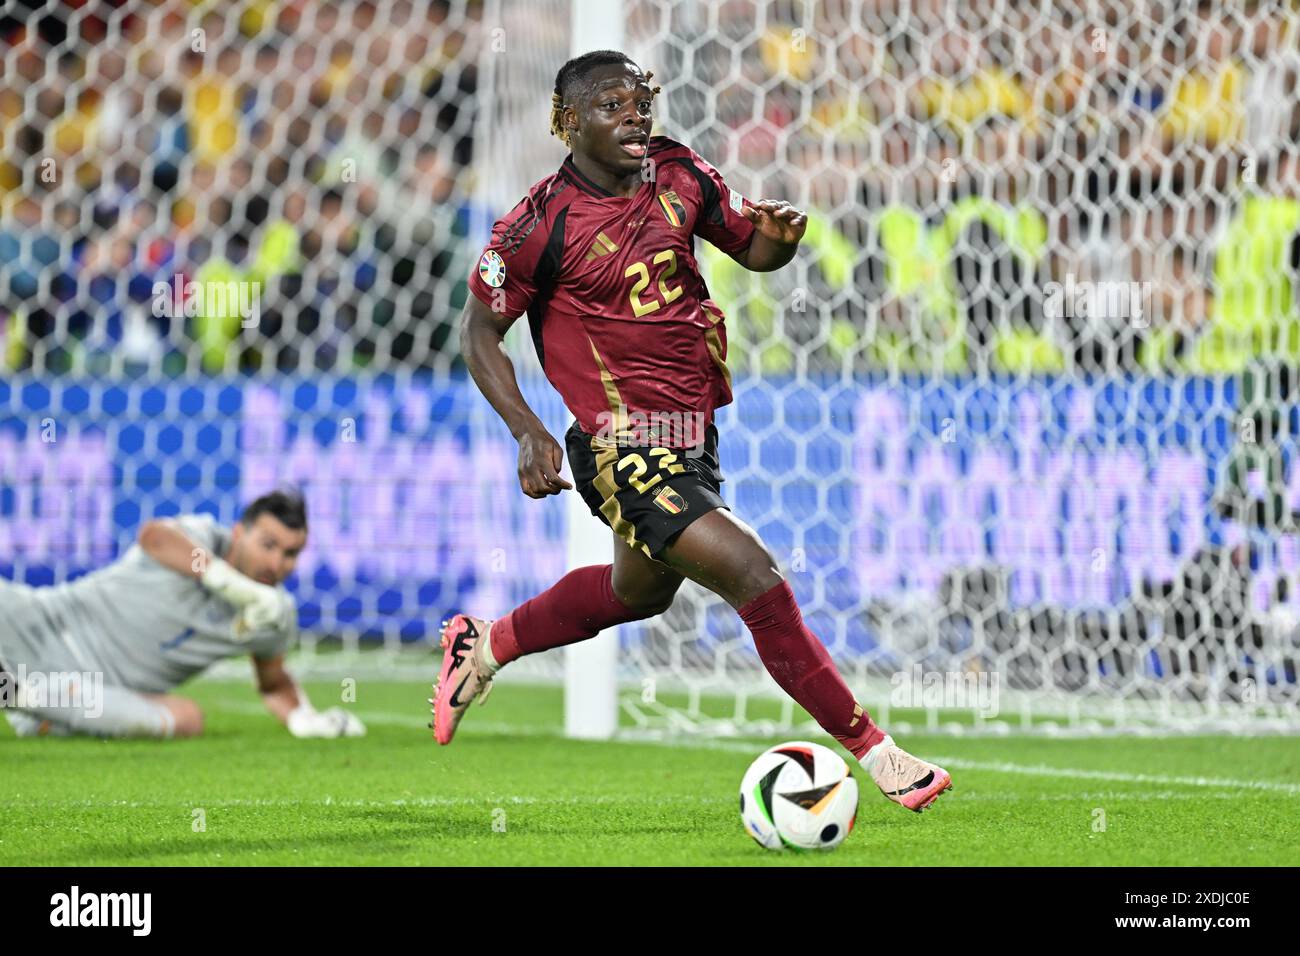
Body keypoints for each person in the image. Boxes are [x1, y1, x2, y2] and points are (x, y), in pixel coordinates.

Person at [440, 50, 951, 812]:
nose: (636, 117)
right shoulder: (536, 226)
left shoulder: (681, 173)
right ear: (570, 121)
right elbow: (480, 334)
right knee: (755, 574)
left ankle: (487, 642)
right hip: (617, 445)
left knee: (636, 593)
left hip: (691, 433)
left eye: (642, 102)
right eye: (614, 106)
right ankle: (877, 752)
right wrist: (526, 429)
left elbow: (753, 250)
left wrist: (780, 237)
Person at [0, 490, 364, 739]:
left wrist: (305, 719)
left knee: (188, 719)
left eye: (290, 553)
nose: (276, 562)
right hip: (39, 623)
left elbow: (273, 684)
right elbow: (155, 537)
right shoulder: (201, 538)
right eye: (268, 545)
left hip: (97, 695)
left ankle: (15, 694)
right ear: (239, 534)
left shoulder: (272, 616)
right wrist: (238, 588)